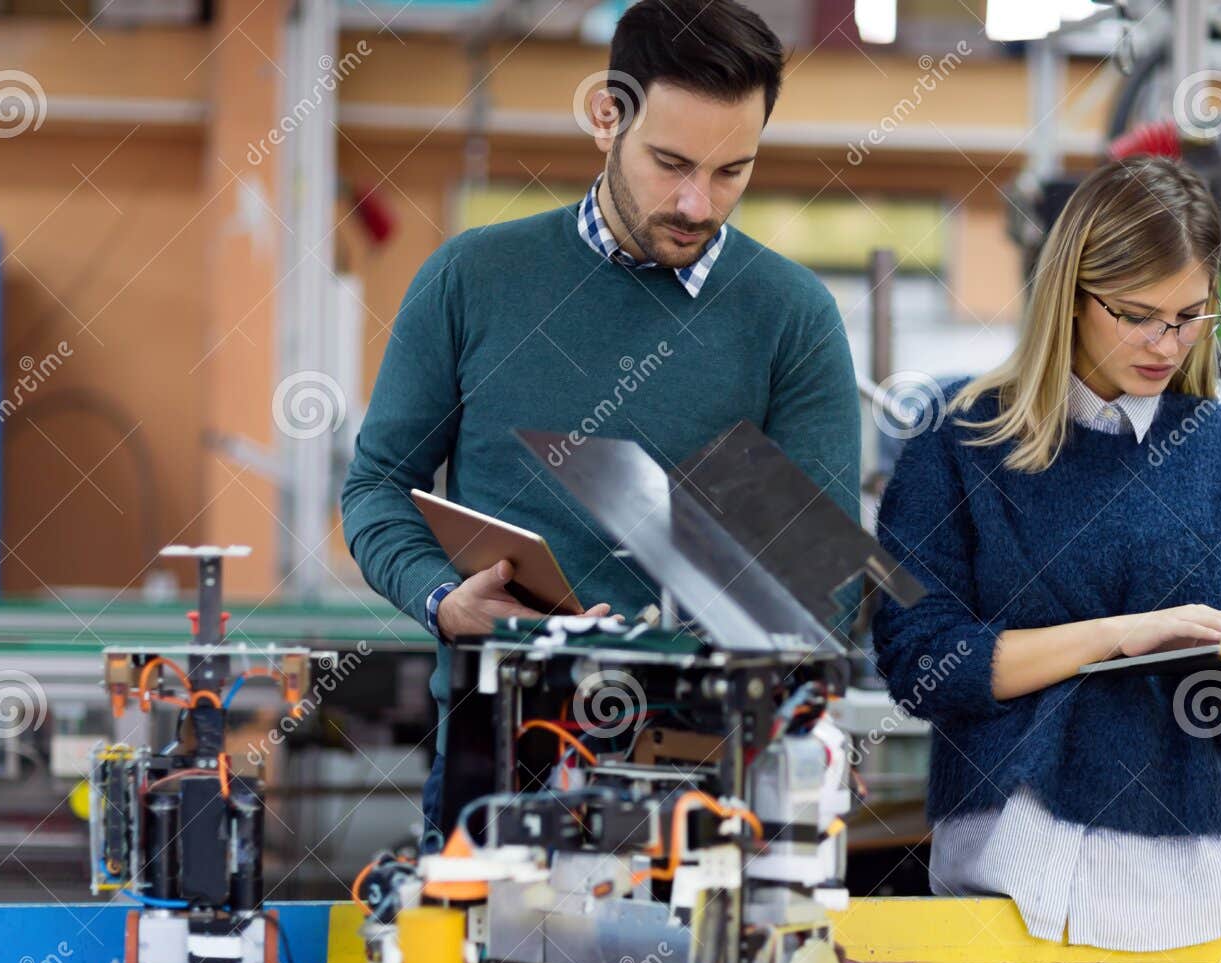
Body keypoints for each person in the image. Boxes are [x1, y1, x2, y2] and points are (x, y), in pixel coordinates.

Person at [871, 156, 1221, 951]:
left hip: (1208, 891)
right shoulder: (960, 435)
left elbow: (1214, 703)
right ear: (1071, 296)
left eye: (1190, 315)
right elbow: (922, 663)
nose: (1165, 343)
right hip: (1010, 881)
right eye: (1137, 314)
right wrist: (1119, 635)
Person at [341, 0, 860, 834]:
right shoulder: (472, 279)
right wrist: (442, 599)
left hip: (709, 765)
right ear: (608, 117)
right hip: (501, 749)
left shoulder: (790, 318)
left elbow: (821, 581)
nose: (696, 203)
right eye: (671, 163)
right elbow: (376, 486)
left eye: (732, 171)